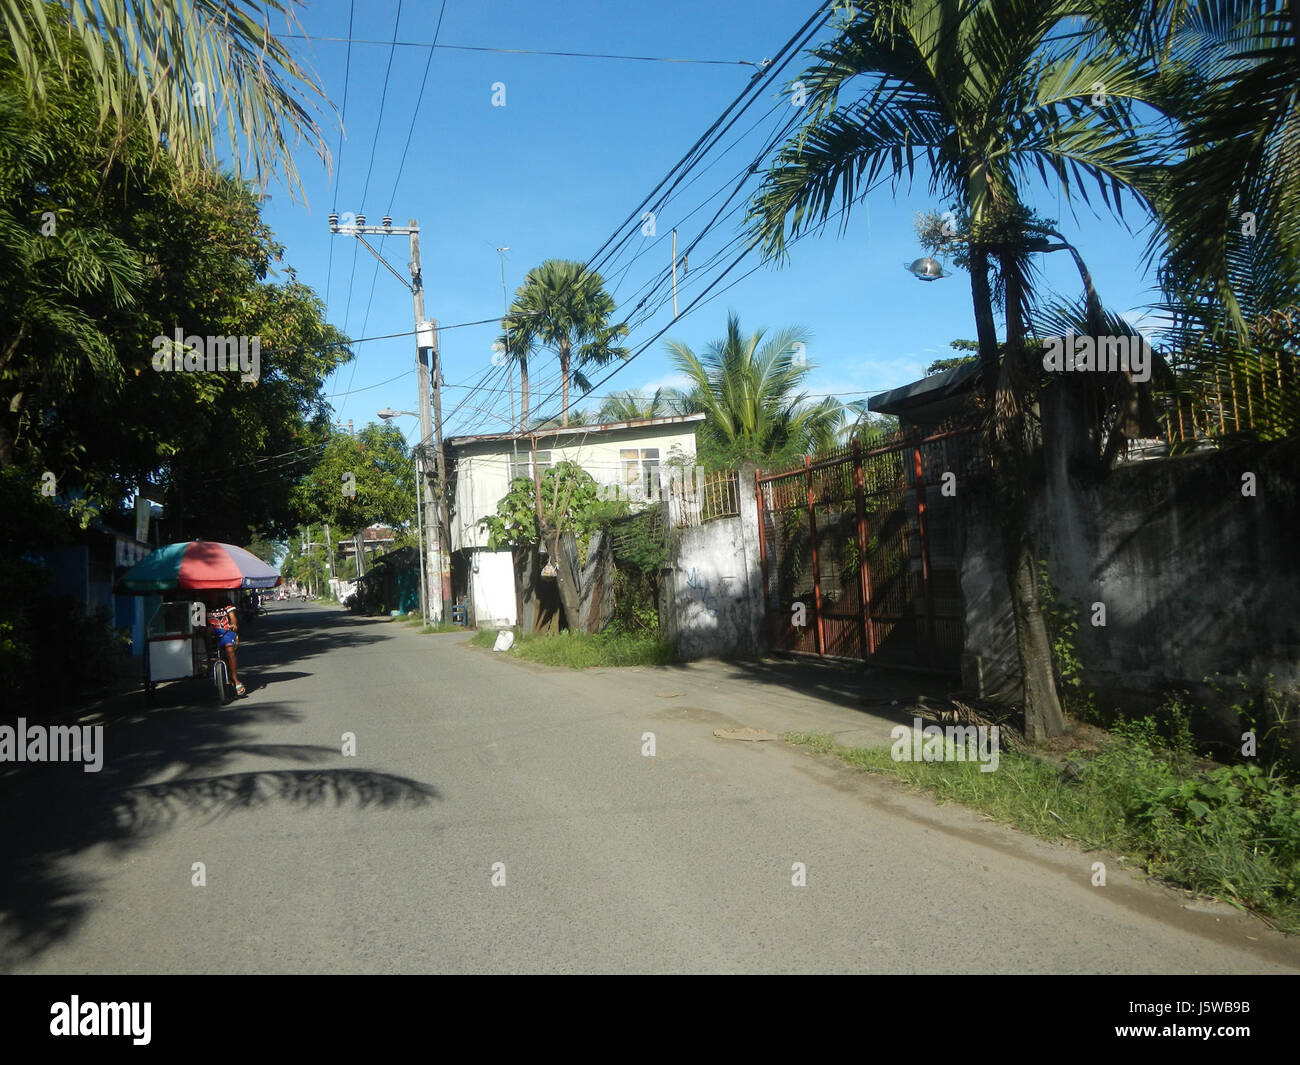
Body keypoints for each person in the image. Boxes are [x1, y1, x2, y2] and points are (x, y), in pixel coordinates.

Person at [202, 589, 245, 697]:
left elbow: (233, 618)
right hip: (212, 634)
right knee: (211, 654)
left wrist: (234, 624)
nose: (213, 595)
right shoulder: (202, 605)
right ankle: (212, 667)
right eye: (210, 593)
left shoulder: (226, 602)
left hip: (226, 632)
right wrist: (205, 628)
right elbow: (199, 622)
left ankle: (235, 680)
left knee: (230, 650)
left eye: (215, 592)